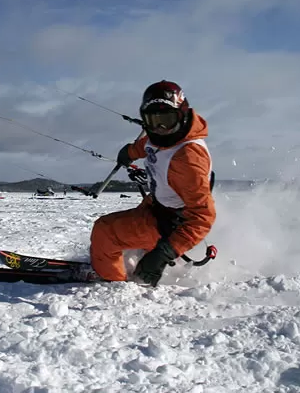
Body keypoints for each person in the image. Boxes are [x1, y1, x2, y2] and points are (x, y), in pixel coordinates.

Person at [89, 80, 216, 286]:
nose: (160, 128)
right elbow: (148, 144)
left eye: (167, 119)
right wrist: (130, 151)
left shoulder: (188, 158)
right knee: (129, 226)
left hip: (171, 223)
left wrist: (164, 252)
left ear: (182, 114)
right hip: (157, 205)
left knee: (105, 231)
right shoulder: (163, 136)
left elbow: (202, 217)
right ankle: (132, 258)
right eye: (152, 120)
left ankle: (112, 282)